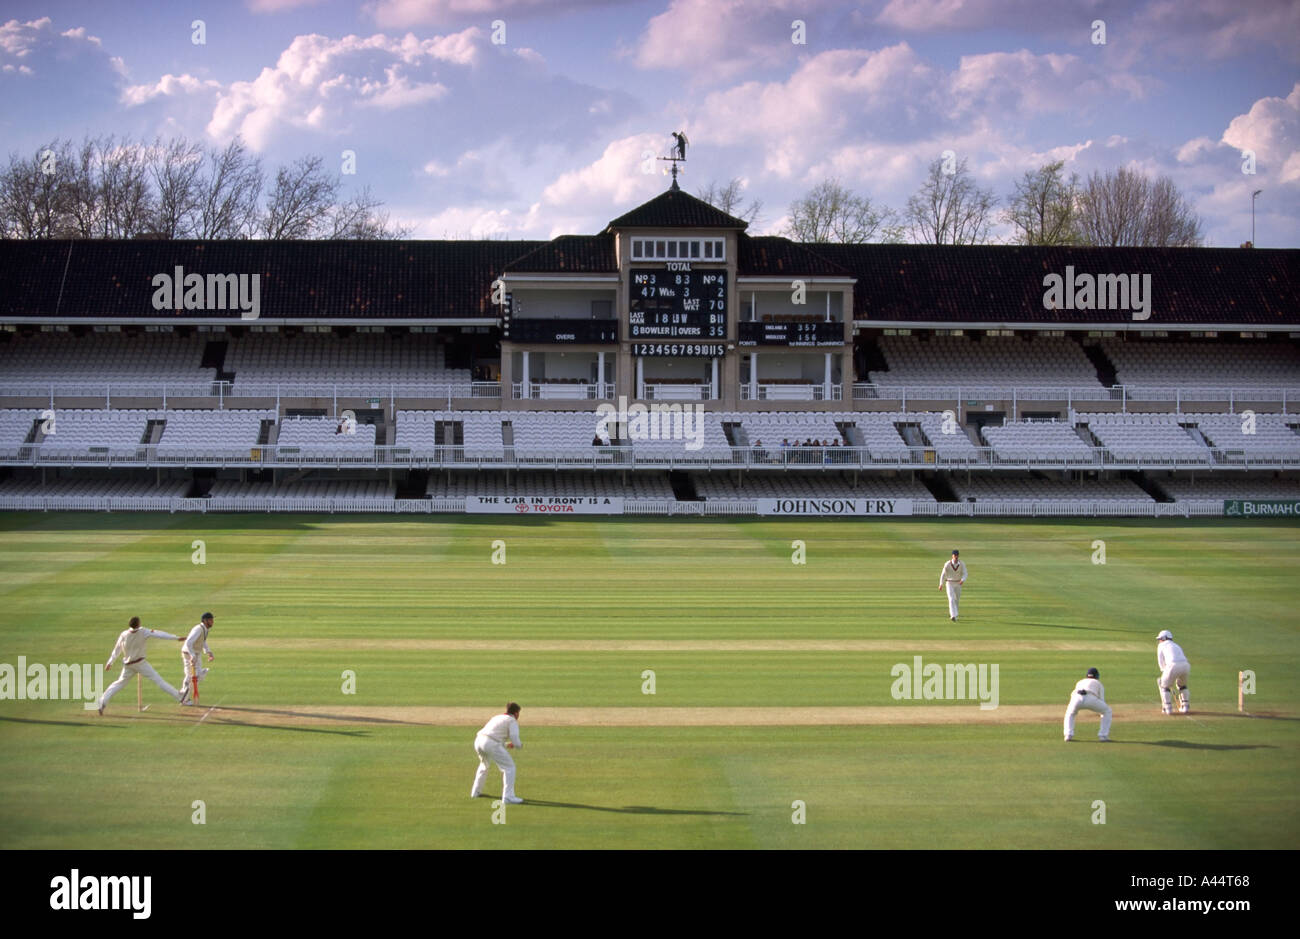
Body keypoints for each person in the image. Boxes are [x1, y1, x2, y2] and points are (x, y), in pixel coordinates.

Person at [97, 616, 185, 715]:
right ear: (138, 624)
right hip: (140, 664)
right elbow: (159, 634)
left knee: (118, 684)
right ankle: (180, 697)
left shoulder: (124, 634)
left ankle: (102, 702)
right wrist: (176, 638)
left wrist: (110, 662)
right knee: (158, 680)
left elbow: (117, 649)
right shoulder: (143, 631)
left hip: (128, 665)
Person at [471, 702, 524, 804]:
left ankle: (475, 792)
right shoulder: (512, 720)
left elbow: (491, 734)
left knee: (484, 765)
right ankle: (508, 797)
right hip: (490, 743)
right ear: (516, 713)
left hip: (478, 741)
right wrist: (518, 745)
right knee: (509, 768)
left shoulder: (497, 717)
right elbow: (514, 737)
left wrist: (505, 744)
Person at [1064, 667, 1112, 741]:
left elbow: (1073, 694)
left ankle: (1068, 735)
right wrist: (1101, 711)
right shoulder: (1098, 683)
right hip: (1091, 698)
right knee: (1107, 711)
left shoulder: (1080, 681)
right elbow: (1102, 699)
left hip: (1076, 698)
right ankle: (1103, 736)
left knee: (1070, 713)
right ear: (1097, 676)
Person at [178, 612, 215, 705]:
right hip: (188, 654)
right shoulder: (198, 629)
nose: (212, 622)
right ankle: (184, 699)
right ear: (205, 620)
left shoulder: (205, 629)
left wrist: (208, 652)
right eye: (210, 620)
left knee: (198, 677)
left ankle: (183, 693)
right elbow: (188, 642)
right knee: (191, 676)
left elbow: (203, 641)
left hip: (196, 654)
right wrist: (192, 655)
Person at [1156, 629, 1191, 714]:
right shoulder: (1176, 645)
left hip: (1173, 665)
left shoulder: (1161, 646)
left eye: (1160, 639)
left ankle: (1167, 708)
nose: (1159, 641)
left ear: (1164, 638)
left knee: (1163, 686)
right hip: (1186, 665)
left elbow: (1161, 661)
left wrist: (1164, 672)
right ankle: (1185, 706)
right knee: (1182, 686)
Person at [938, 549, 967, 621]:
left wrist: (962, 580)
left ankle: (956, 615)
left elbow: (965, 573)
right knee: (951, 599)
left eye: (957, 556)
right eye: (954, 556)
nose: (956, 557)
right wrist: (941, 584)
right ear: (952, 556)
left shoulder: (962, 564)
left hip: (958, 583)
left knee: (956, 600)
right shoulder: (947, 564)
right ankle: (952, 615)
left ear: (958, 556)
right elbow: (943, 574)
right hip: (949, 583)